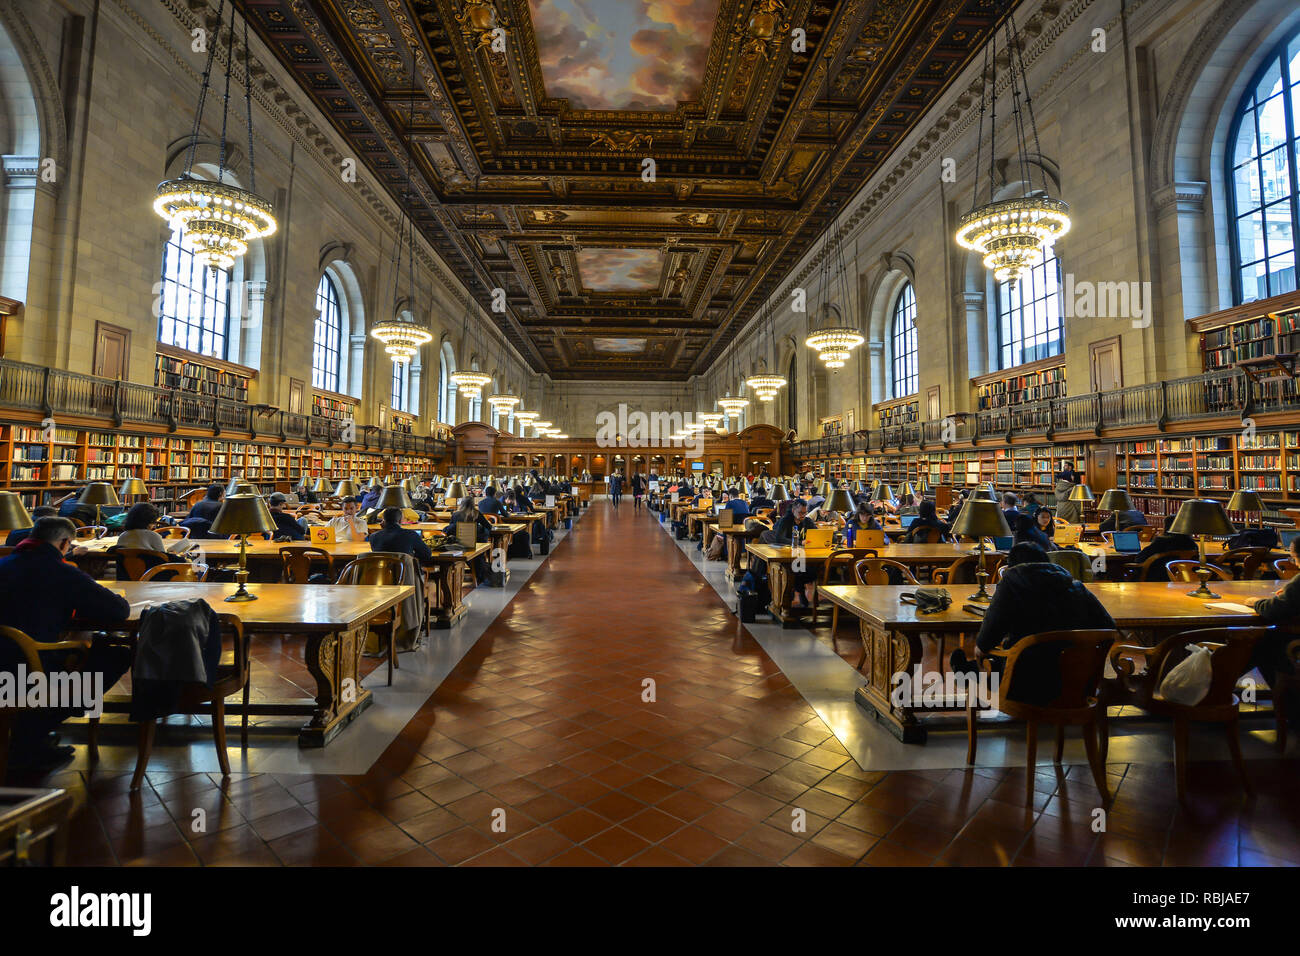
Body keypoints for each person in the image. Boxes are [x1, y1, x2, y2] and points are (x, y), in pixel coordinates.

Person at [0, 517, 131, 768]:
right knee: (116, 655)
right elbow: (118, 611)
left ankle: (27, 731)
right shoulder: (62, 572)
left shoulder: (3, 564)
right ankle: (33, 730)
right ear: (63, 542)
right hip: (32, 670)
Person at [951, 542, 1116, 705]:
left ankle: (967, 671)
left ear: (1011, 566)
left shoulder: (1011, 586)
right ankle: (968, 669)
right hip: (1076, 681)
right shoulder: (1077, 587)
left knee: (993, 660)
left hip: (1024, 685)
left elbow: (987, 639)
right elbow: (1108, 627)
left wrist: (979, 649)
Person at [444, 498, 497, 586]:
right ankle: (481, 573)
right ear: (473, 504)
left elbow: (449, 529)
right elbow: (489, 527)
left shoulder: (455, 514)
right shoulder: (476, 514)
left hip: (458, 545)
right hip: (474, 544)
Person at [367, 507, 432, 562]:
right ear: (400, 520)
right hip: (405, 575)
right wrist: (412, 557)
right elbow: (426, 554)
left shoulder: (373, 537)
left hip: (383, 574)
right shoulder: (411, 535)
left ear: (383, 520)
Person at [1130, 528, 1198, 579]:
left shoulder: (1160, 542)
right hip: (1184, 580)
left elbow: (1139, 559)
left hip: (1156, 580)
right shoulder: (1192, 544)